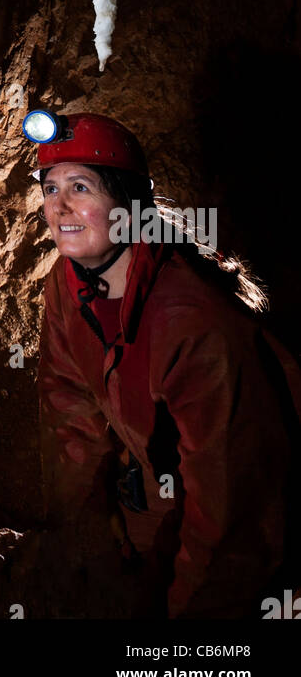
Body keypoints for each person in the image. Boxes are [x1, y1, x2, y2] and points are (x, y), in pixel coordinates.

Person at [33, 110, 301, 619]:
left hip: (260, 528)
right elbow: (69, 411)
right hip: (164, 505)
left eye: (80, 187)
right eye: (50, 188)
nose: (58, 205)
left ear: (128, 207)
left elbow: (233, 520)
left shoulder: (193, 323)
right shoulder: (66, 286)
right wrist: (84, 541)